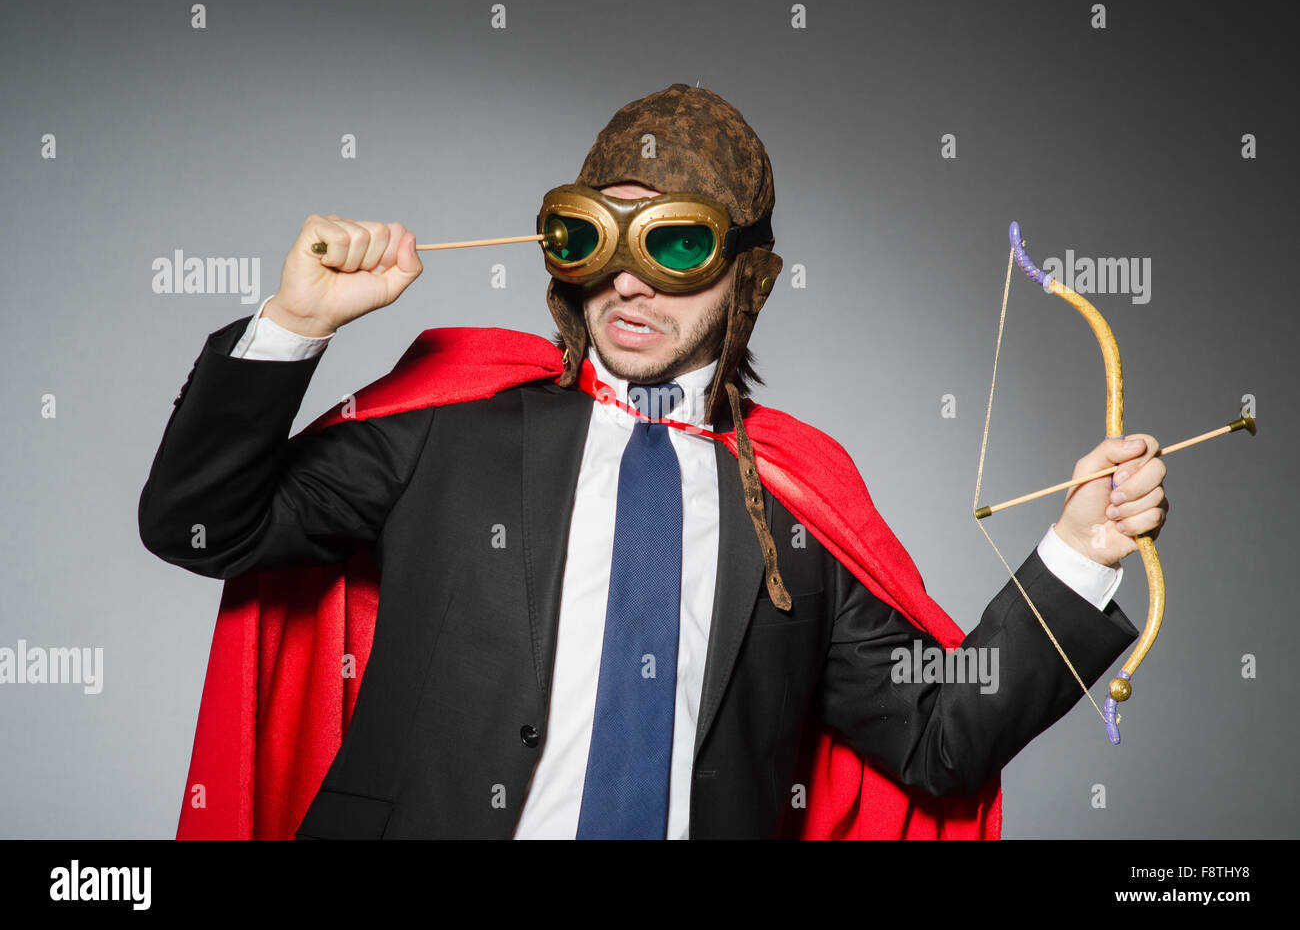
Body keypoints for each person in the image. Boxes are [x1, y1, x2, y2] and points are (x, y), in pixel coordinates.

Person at [138, 84, 1167, 840]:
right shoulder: (448, 432)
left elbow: (940, 737)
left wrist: (1078, 553)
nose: (629, 284)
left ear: (746, 277)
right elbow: (203, 525)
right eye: (594, 240)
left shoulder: (793, 509)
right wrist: (290, 328)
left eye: (673, 247)